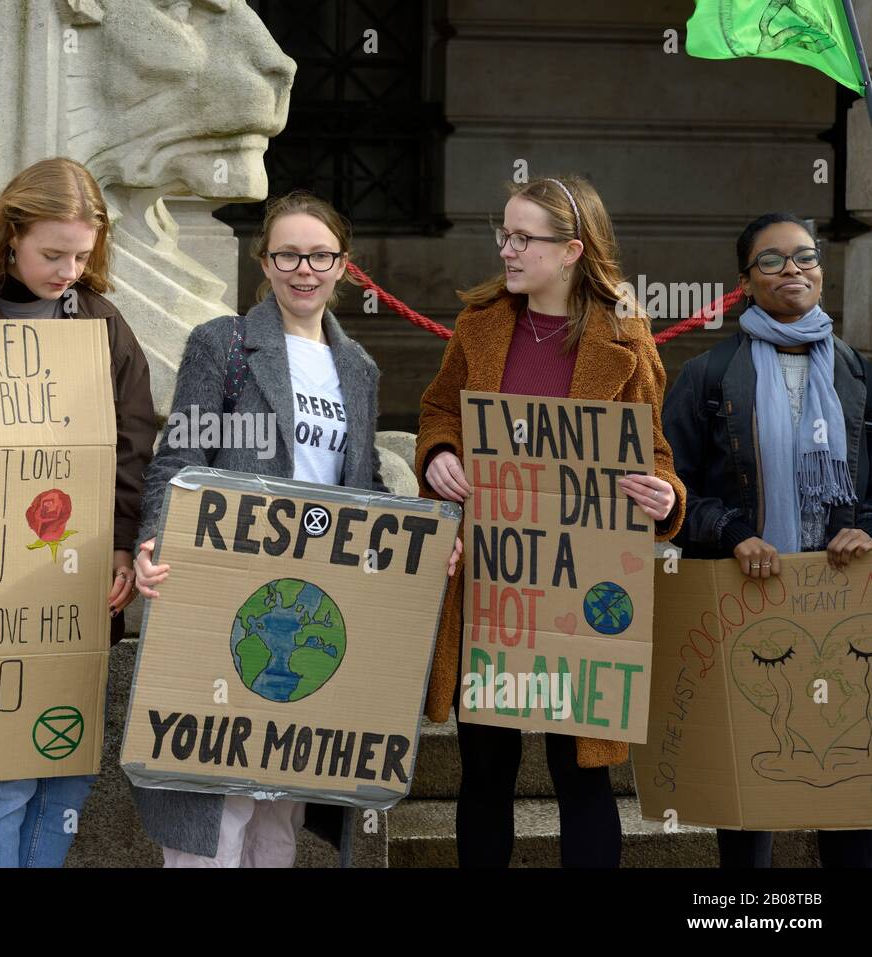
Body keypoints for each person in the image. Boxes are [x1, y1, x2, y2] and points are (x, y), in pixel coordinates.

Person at [132, 190, 408, 867]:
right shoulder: (223, 344)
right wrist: (156, 537)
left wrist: (417, 551)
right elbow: (181, 457)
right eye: (288, 254)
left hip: (314, 602)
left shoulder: (358, 370)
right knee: (215, 792)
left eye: (319, 255)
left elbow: (365, 486)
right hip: (227, 596)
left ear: (344, 265)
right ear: (266, 260)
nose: (303, 269)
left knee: (280, 801)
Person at [414, 175, 685, 867]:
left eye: (522, 238)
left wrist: (664, 495)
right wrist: (440, 454)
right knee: (486, 771)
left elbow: (654, 452)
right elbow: (440, 409)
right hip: (493, 579)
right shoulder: (480, 322)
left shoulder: (626, 336)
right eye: (502, 232)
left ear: (571, 250)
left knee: (581, 775)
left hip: (585, 591)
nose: (506, 248)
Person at [0, 156, 157, 867]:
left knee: (68, 765)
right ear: (12, 236)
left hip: (78, 583)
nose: (68, 270)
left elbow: (132, 444)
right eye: (53, 253)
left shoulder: (105, 325)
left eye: (82, 255)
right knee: (2, 774)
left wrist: (119, 544)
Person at [662, 211, 872, 868]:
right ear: (745, 282)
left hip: (846, 615)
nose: (794, 270)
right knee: (748, 802)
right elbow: (668, 491)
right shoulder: (707, 376)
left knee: (850, 800)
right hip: (748, 611)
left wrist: (865, 526)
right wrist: (732, 533)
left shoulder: (859, 375)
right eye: (774, 260)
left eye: (805, 257)